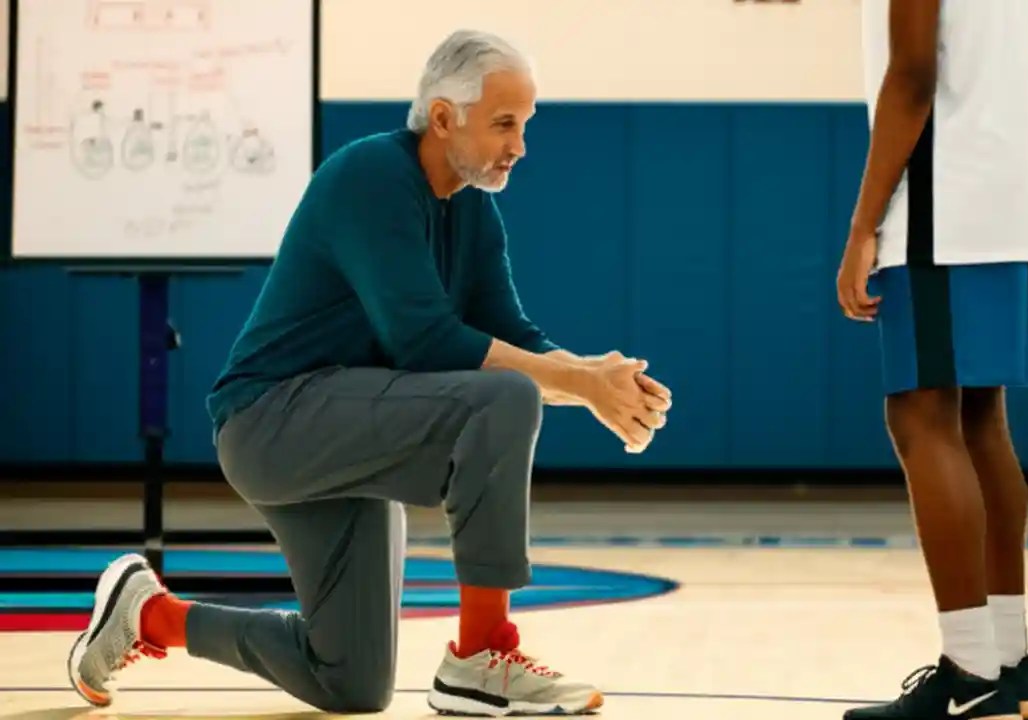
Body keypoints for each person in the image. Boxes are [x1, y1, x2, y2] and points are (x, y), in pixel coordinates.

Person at [66, 29, 671, 717]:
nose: (520, 146)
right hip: (272, 421)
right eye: (505, 124)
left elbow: (512, 337)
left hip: (356, 428)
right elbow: (426, 341)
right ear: (444, 118)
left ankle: (151, 617)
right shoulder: (371, 178)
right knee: (500, 400)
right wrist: (577, 383)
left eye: (525, 125)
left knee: (347, 681)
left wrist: (592, 379)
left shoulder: (473, 208)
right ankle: (481, 657)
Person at [836, 1, 1028, 719]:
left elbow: (912, 75)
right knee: (980, 418)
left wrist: (864, 224)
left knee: (921, 414)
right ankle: (1011, 665)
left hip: (942, 207)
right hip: (1009, 202)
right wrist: (999, 167)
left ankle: (970, 669)